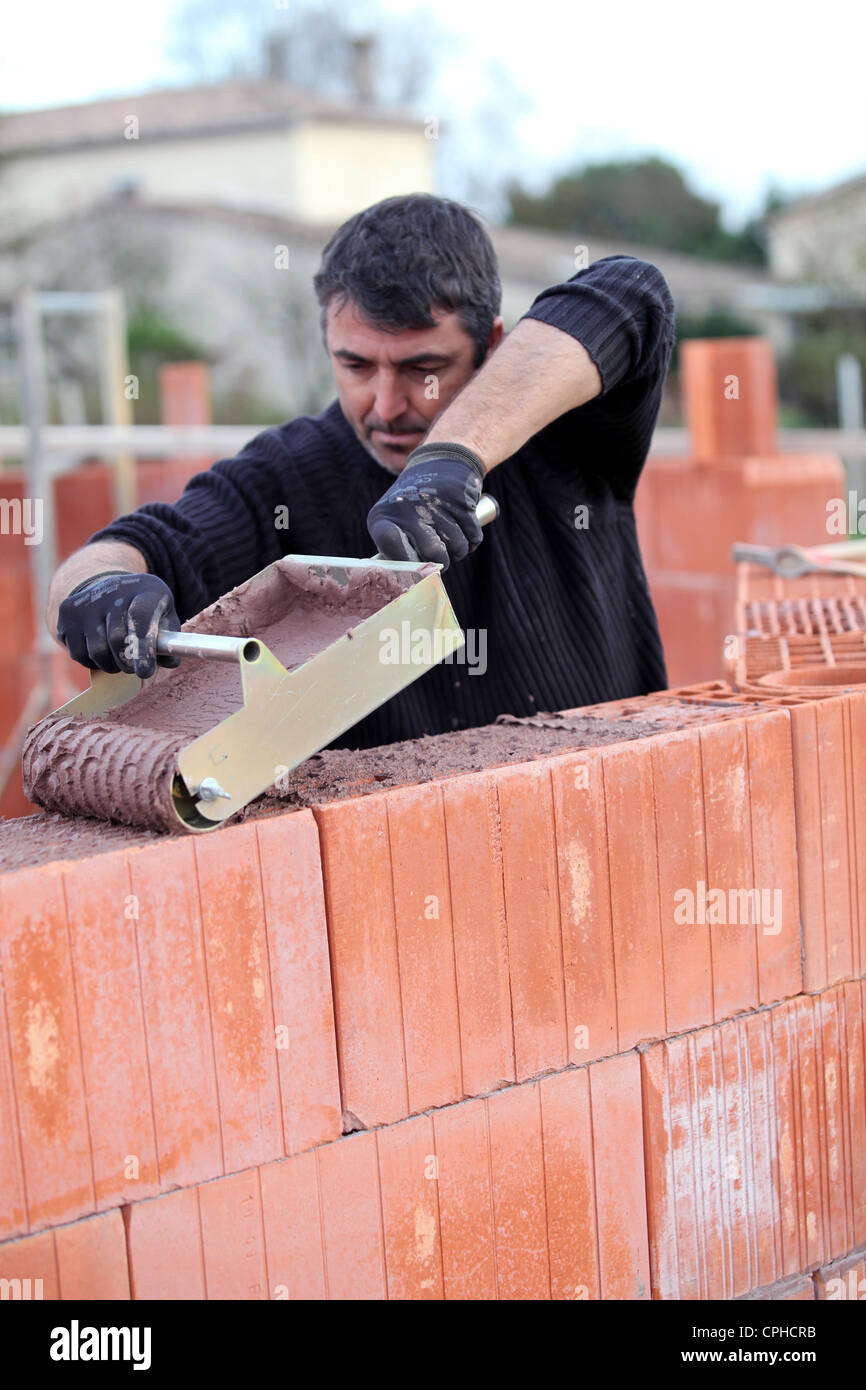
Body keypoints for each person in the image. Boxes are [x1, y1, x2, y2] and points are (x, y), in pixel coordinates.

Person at [47, 193, 675, 749]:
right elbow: (124, 551)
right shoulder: (283, 479)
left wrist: (451, 456)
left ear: (492, 342)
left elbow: (633, 291)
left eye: (421, 368)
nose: (385, 405)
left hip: (610, 830)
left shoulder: (564, 431)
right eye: (355, 366)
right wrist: (96, 591)